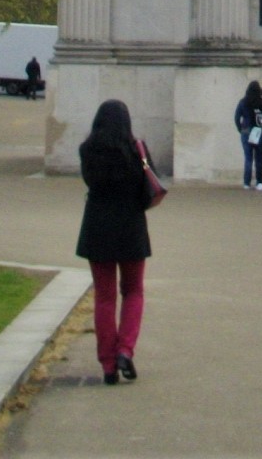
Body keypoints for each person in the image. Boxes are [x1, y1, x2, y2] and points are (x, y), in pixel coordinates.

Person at [75, 99, 154, 385]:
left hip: (98, 227)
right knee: (133, 292)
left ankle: (108, 364)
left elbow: (89, 182)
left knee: (104, 297)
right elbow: (148, 190)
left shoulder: (87, 150)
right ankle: (125, 349)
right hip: (131, 226)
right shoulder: (137, 150)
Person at [236, 80, 262, 190]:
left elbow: (236, 117)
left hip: (246, 129)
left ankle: (246, 182)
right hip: (257, 130)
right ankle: (259, 182)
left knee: (248, 158)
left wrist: (240, 129)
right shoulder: (261, 102)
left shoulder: (243, 102)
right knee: (259, 157)